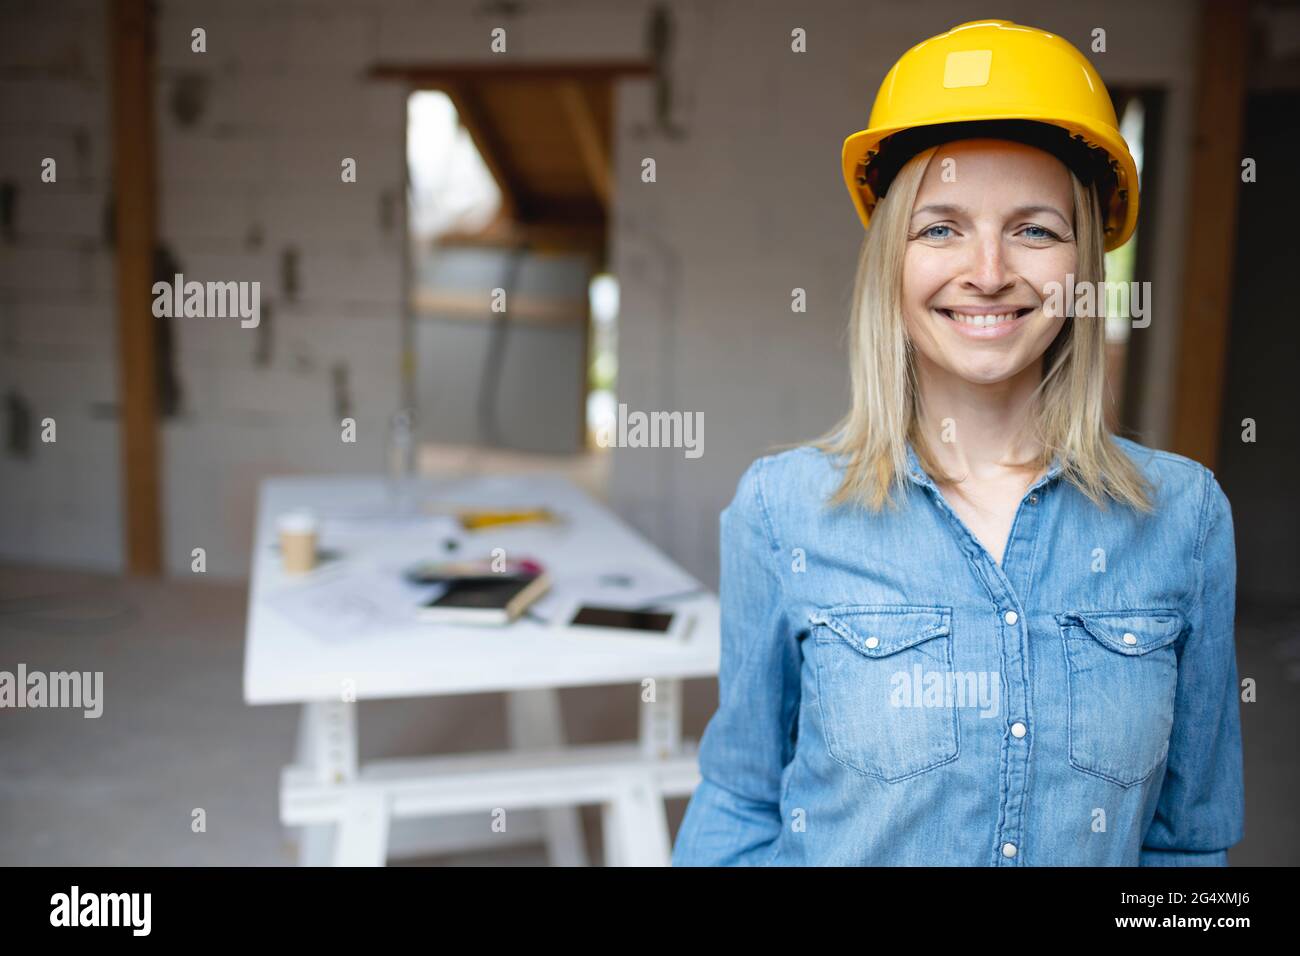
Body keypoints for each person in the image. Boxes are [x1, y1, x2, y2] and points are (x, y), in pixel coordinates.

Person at [671, 19, 1244, 866]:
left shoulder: (1185, 519)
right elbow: (741, 800)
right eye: (941, 228)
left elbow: (1188, 845)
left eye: (1035, 230)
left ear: (1083, 268)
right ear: (891, 264)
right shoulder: (779, 510)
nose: (987, 270)